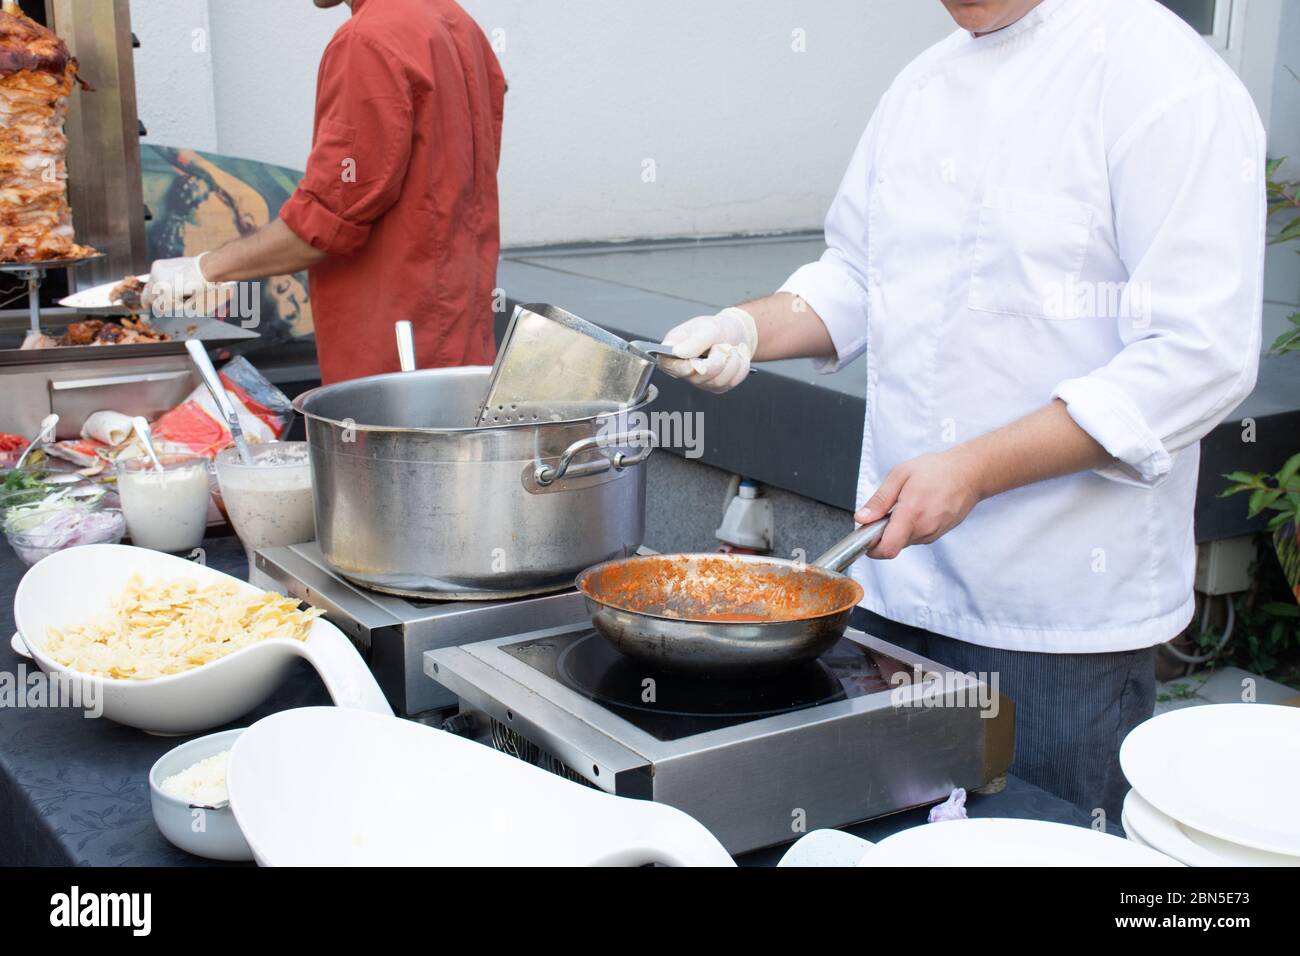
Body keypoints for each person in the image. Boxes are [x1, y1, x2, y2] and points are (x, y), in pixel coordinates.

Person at [658, 0, 1265, 822]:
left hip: (1056, 619)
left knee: (1036, 842)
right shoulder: (923, 85)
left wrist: (975, 470)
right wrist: (743, 329)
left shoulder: (1164, 78)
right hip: (893, 588)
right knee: (892, 838)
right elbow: (860, 276)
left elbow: (1198, 355)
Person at [142, 0, 507, 384]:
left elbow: (326, 223)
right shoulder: (459, 25)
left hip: (396, 352)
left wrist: (203, 269)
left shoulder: (367, 39)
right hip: (461, 332)